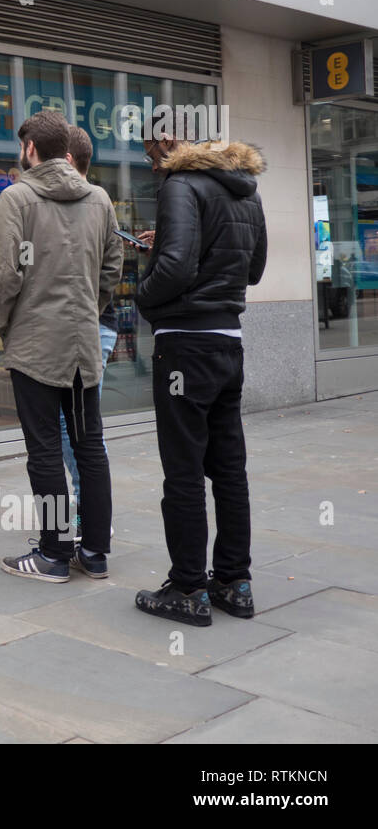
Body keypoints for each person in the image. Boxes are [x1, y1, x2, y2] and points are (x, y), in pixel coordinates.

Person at [133, 118, 267, 627]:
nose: (152, 165)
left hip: (184, 344)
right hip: (228, 340)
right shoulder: (244, 188)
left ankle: (188, 588)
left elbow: (177, 270)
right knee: (229, 468)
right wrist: (167, 242)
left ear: (169, 142)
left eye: (150, 153)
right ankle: (235, 583)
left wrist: (145, 300)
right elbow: (251, 269)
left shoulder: (180, 184)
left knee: (184, 468)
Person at [0, 110, 122, 582]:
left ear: (30, 149)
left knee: (44, 450)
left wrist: (5, 322)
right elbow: (112, 269)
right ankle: (95, 552)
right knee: (91, 448)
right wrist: (88, 306)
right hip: (83, 344)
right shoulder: (100, 198)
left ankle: (52, 553)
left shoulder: (17, 197)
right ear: (66, 150)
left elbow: (6, 274)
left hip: (35, 345)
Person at [59, 126, 119, 520]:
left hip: (92, 326)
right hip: (83, 325)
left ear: (67, 160)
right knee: (77, 425)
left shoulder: (95, 201)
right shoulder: (87, 201)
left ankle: (90, 512)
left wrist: (88, 311)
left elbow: (111, 270)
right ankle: (90, 511)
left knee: (78, 427)